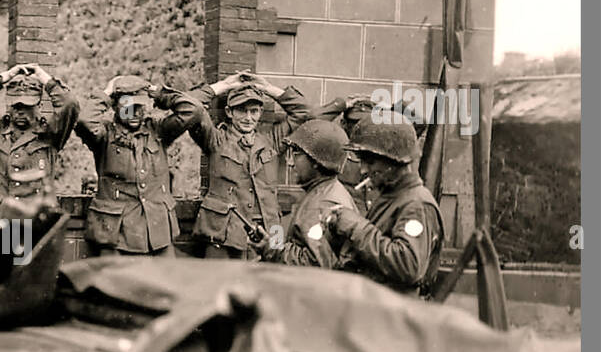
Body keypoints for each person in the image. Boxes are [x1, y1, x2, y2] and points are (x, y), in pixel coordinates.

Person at [183, 71, 314, 258]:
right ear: (229, 112)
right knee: (221, 284)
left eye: (254, 111)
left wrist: (267, 88)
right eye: (241, 110)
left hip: (270, 229)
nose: (248, 117)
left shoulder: (271, 141)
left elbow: (305, 112)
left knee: (269, 283)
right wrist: (223, 86)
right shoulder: (216, 140)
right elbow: (188, 106)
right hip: (224, 232)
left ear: (260, 113)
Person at [76, 75, 199, 256]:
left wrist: (158, 93)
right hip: (117, 235)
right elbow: (85, 121)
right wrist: (107, 93)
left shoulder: (158, 131)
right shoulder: (105, 135)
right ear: (116, 107)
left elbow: (193, 111)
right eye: (128, 107)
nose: (134, 113)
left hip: (157, 233)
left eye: (139, 107)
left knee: (165, 283)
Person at [325, 117, 443, 296]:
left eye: (370, 162)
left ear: (394, 161)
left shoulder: (416, 204)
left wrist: (355, 226)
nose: (363, 170)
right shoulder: (390, 196)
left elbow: (409, 265)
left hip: (394, 312)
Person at [0, 63, 79, 228]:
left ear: (38, 106)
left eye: (27, 106)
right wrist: (5, 76)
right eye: (16, 106)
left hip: (31, 223)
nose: (21, 111)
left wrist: (44, 78)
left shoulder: (50, 135)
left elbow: (70, 104)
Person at [254, 119, 355, 268]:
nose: (290, 162)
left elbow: (316, 265)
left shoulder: (321, 204)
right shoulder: (328, 190)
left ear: (316, 160)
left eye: (297, 154)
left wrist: (271, 249)